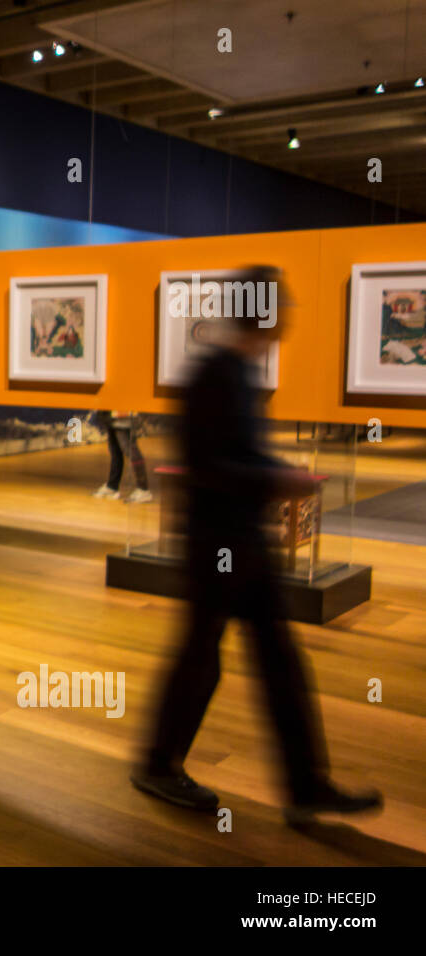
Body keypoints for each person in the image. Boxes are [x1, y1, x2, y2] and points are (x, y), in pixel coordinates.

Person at [131, 266, 382, 824]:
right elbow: (208, 466)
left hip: (240, 542)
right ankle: (158, 765)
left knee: (273, 660)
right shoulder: (214, 374)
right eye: (281, 308)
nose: (286, 319)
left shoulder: (236, 373)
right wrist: (275, 479)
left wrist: (276, 472)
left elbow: (234, 455)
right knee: (206, 659)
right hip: (217, 547)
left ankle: (304, 786)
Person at [92, 410, 151, 503]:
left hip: (123, 418)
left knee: (131, 451)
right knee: (115, 452)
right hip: (110, 417)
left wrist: (124, 412)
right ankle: (112, 486)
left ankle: (144, 490)